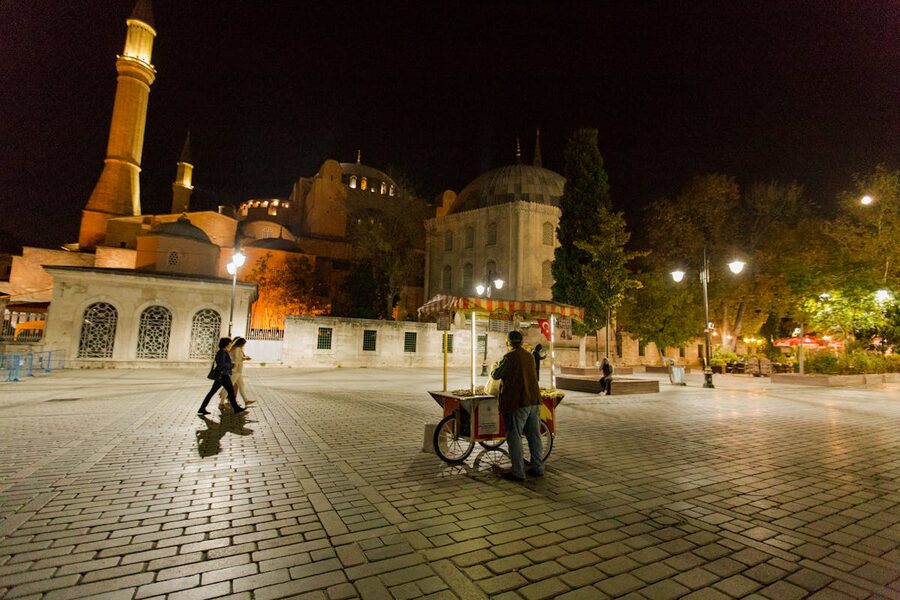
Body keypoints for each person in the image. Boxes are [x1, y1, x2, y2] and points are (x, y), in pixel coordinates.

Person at [491, 330, 544, 482]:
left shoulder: (509, 357)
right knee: (534, 436)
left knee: (514, 437)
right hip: (534, 400)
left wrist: (495, 366)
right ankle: (538, 468)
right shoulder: (529, 356)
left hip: (518, 401)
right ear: (521, 342)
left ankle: (518, 472)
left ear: (508, 343)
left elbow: (496, 375)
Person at [199, 337, 246, 416]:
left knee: (212, 393)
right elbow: (221, 364)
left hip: (222, 375)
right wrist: (231, 365)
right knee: (230, 392)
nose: (231, 344)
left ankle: (202, 408)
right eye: (230, 343)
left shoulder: (224, 352)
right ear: (226, 344)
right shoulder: (222, 353)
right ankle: (236, 408)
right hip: (223, 375)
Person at [220, 337, 253, 407]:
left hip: (238, 371)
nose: (244, 345)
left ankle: (246, 400)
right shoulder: (237, 349)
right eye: (243, 344)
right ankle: (221, 403)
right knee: (229, 387)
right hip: (236, 370)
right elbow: (236, 359)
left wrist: (244, 358)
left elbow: (237, 358)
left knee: (241, 385)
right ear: (241, 343)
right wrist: (246, 358)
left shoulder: (234, 348)